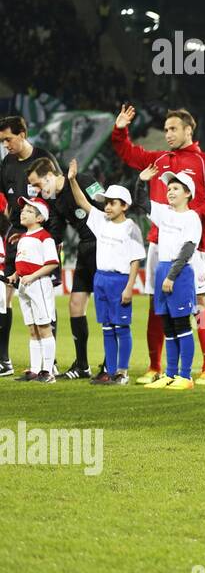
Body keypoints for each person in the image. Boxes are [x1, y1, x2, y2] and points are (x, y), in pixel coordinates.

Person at [111, 104, 205, 386]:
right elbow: (128, 152)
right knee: (156, 303)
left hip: (191, 247)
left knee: (199, 304)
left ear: (189, 130)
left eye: (173, 129)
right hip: (158, 243)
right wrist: (120, 129)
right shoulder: (159, 159)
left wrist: (194, 216)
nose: (168, 134)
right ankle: (155, 366)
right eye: (165, 129)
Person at [66, 161, 145, 385]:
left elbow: (135, 260)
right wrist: (72, 180)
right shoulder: (101, 221)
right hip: (100, 278)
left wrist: (129, 287)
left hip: (119, 281)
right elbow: (82, 201)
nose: (107, 207)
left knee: (121, 327)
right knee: (108, 328)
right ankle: (109, 371)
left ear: (125, 205)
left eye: (112, 203)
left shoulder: (131, 227)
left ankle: (122, 372)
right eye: (106, 203)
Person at [0, 114, 57, 377]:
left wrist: (54, 239)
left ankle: (49, 364)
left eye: (8, 139)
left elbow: (53, 200)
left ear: (23, 134)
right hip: (18, 240)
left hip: (43, 238)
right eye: (2, 141)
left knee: (45, 302)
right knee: (14, 298)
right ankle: (23, 363)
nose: (6, 145)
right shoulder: (7, 164)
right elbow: (8, 205)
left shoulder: (44, 159)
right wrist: (12, 233)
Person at [29, 157, 96, 379]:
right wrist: (31, 240)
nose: (37, 190)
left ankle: (112, 365)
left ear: (49, 176)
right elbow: (55, 233)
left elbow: (109, 205)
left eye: (38, 184)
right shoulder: (54, 201)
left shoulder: (84, 180)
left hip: (107, 247)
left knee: (111, 310)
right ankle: (83, 365)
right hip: (86, 249)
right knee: (75, 305)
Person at [139, 166, 202, 390]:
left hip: (180, 272)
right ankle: (170, 373)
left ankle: (185, 376)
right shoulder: (163, 212)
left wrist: (171, 276)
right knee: (167, 326)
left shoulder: (192, 217)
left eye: (176, 188)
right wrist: (141, 181)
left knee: (181, 325)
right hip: (162, 270)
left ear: (188, 193)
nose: (170, 191)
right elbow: (141, 202)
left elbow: (188, 249)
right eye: (169, 188)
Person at [8, 196, 59, 382]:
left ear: (39, 218)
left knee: (44, 327)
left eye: (29, 211)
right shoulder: (23, 237)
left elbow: (52, 263)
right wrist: (15, 274)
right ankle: (35, 370)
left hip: (38, 284)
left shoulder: (45, 237)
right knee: (32, 328)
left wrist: (32, 276)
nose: (23, 212)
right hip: (24, 284)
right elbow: (23, 260)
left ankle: (48, 371)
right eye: (23, 210)